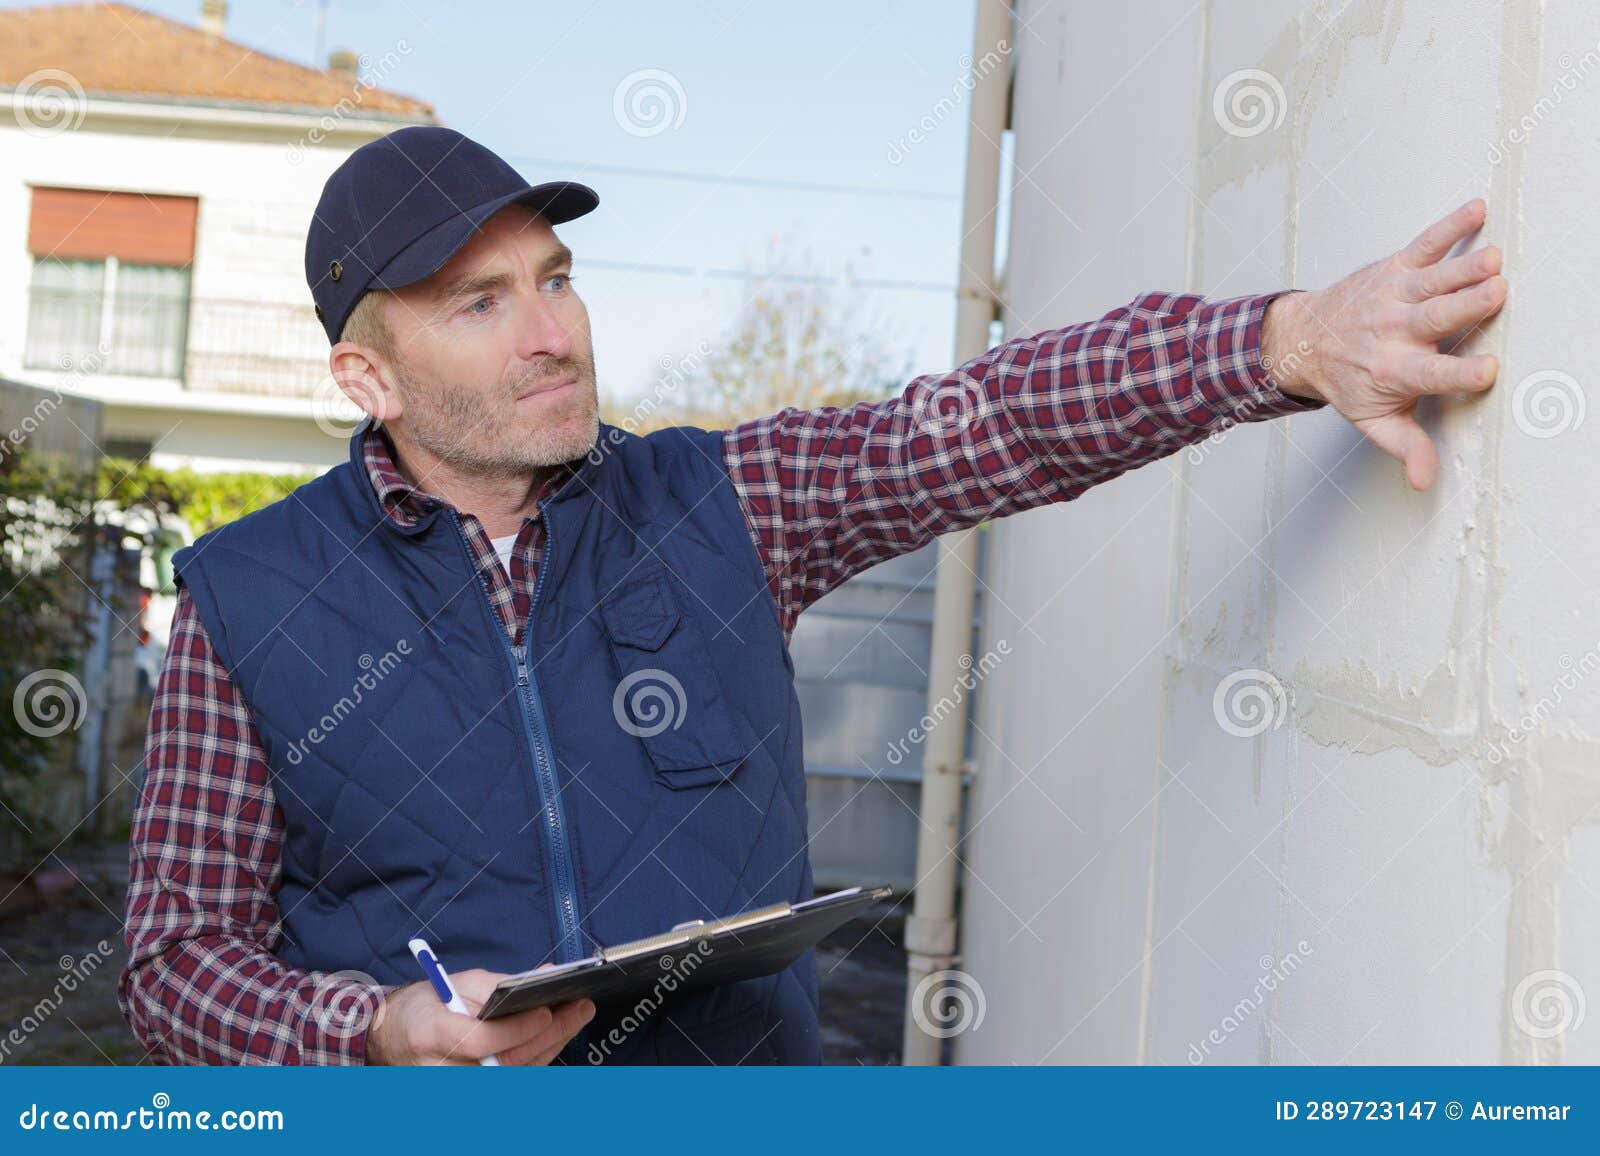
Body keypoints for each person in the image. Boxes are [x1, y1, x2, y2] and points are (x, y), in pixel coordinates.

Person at [118, 126, 1507, 1065]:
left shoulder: (721, 503)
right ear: (368, 377)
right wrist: (379, 1030)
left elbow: (983, 424)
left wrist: (1281, 343)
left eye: (555, 279)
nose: (552, 335)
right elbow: (174, 964)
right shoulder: (248, 601)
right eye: (478, 304)